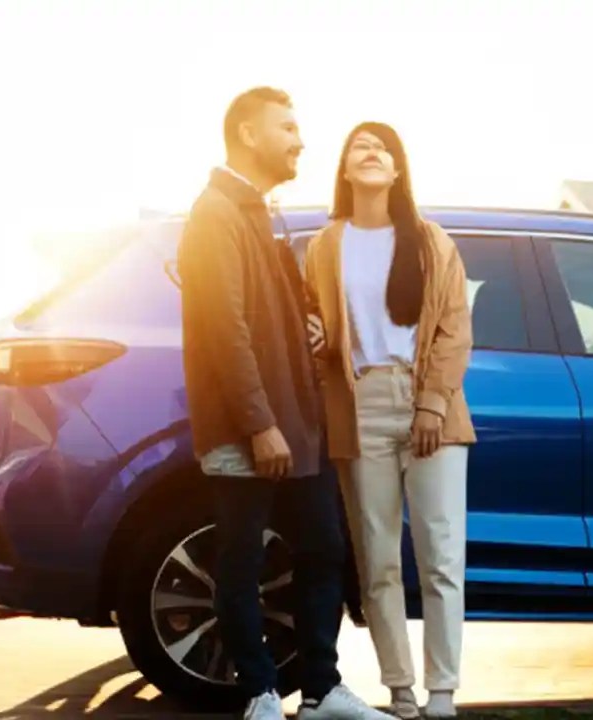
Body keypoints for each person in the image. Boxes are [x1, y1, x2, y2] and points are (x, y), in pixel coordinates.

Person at [178, 87, 393, 720]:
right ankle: (260, 694)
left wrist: (310, 323)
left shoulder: (257, 213)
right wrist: (260, 425)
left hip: (297, 427)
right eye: (288, 127)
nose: (301, 140)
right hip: (253, 429)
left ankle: (323, 690)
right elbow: (226, 329)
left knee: (322, 550)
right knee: (240, 563)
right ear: (248, 134)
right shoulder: (214, 213)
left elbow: (278, 307)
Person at [303, 122, 476, 719]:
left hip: (431, 405)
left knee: (441, 555)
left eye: (383, 148)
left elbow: (455, 328)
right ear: (346, 170)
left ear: (397, 170)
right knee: (376, 559)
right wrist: (318, 336)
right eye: (359, 147)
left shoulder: (430, 241)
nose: (371, 153)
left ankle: (443, 694)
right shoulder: (325, 245)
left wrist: (431, 402)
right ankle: (400, 694)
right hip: (360, 407)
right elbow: (319, 333)